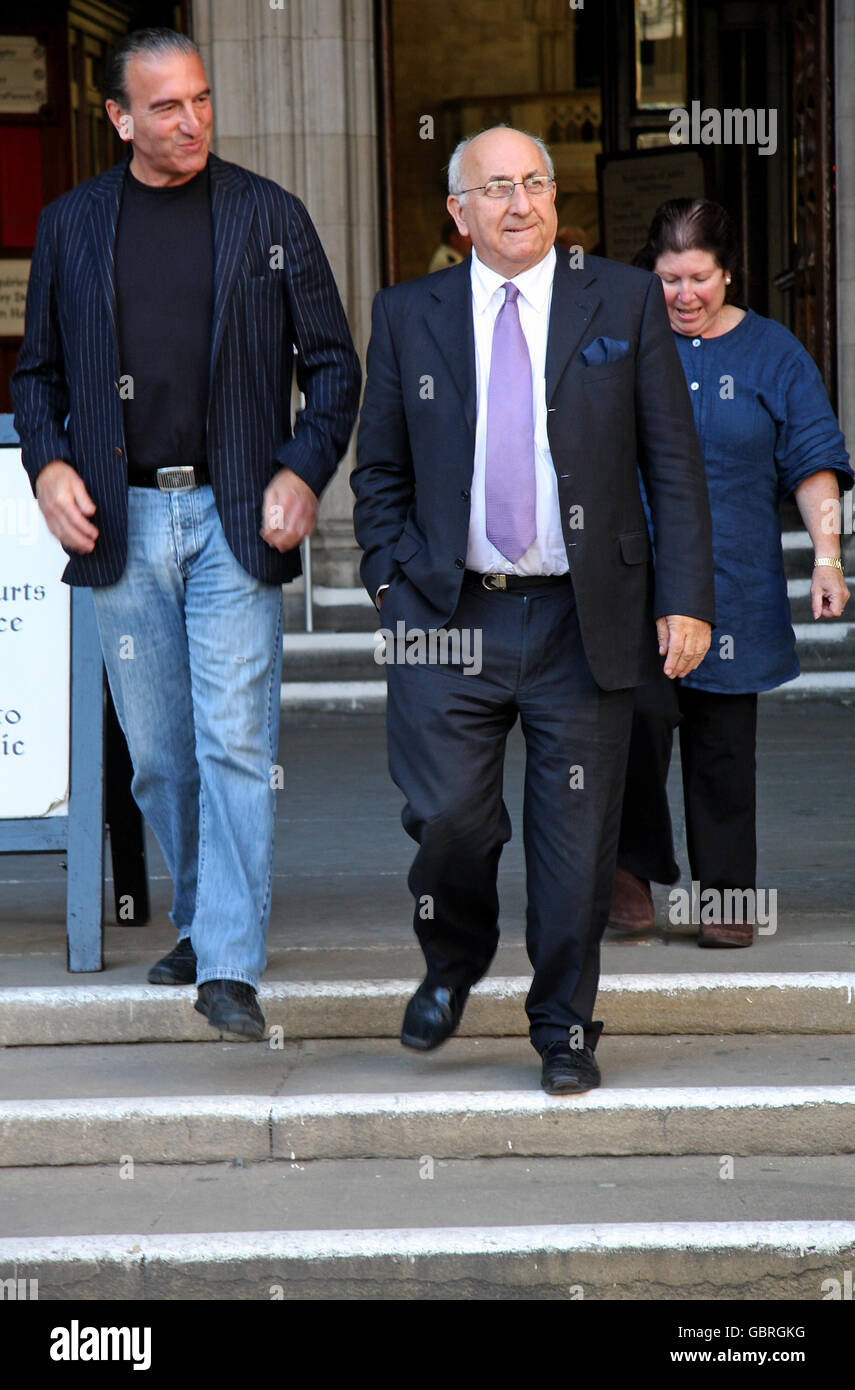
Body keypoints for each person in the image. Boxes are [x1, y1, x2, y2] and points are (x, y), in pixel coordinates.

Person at [12, 28, 361, 1040]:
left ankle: (230, 964)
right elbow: (35, 376)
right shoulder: (72, 227)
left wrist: (301, 470)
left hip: (232, 517)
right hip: (119, 522)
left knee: (237, 741)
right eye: (165, 107)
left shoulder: (270, 215)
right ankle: (211, 916)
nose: (191, 119)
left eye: (200, 99)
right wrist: (50, 465)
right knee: (162, 757)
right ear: (120, 118)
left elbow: (333, 365)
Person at [352, 126, 715, 1095]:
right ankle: (454, 956)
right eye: (497, 187)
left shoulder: (623, 300)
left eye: (536, 183)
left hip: (579, 615)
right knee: (447, 819)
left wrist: (684, 598)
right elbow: (377, 470)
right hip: (446, 611)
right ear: (457, 212)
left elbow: (671, 464)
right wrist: (390, 580)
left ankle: (563, 1023)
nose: (521, 203)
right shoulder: (407, 315)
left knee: (574, 841)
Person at [609, 198, 852, 946]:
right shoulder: (622, 341)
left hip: (734, 583)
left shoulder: (773, 352)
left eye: (698, 278)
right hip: (636, 581)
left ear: (726, 274)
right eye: (668, 279)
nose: (683, 295)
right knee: (636, 727)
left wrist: (827, 556)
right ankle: (630, 870)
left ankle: (724, 898)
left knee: (722, 748)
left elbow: (812, 458)